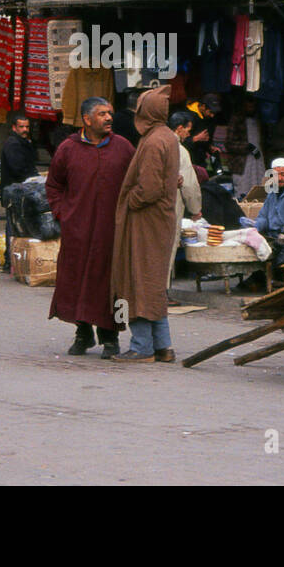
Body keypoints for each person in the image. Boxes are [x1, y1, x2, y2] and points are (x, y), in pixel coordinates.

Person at [46, 96, 135, 359]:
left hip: (113, 232)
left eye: (110, 113)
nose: (109, 118)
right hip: (78, 231)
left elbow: (137, 180)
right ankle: (83, 333)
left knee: (112, 284)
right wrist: (63, 213)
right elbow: (53, 185)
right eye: (102, 114)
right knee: (76, 281)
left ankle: (112, 337)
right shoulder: (68, 149)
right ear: (86, 119)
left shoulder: (123, 147)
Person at [111, 85, 181, 363]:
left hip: (145, 221)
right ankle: (163, 346)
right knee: (153, 284)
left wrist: (130, 200)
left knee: (137, 281)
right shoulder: (167, 137)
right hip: (160, 221)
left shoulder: (153, 142)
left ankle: (142, 347)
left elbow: (149, 189)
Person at [167, 110, 203, 286]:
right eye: (188, 130)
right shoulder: (179, 150)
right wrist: (196, 210)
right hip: (172, 203)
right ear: (179, 128)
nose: (189, 134)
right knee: (168, 246)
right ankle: (163, 292)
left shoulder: (156, 144)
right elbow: (189, 184)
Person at [0, 113, 39, 189]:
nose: (25, 129)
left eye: (27, 127)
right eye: (21, 127)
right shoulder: (13, 144)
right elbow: (18, 169)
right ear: (14, 128)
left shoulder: (23, 142)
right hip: (14, 188)